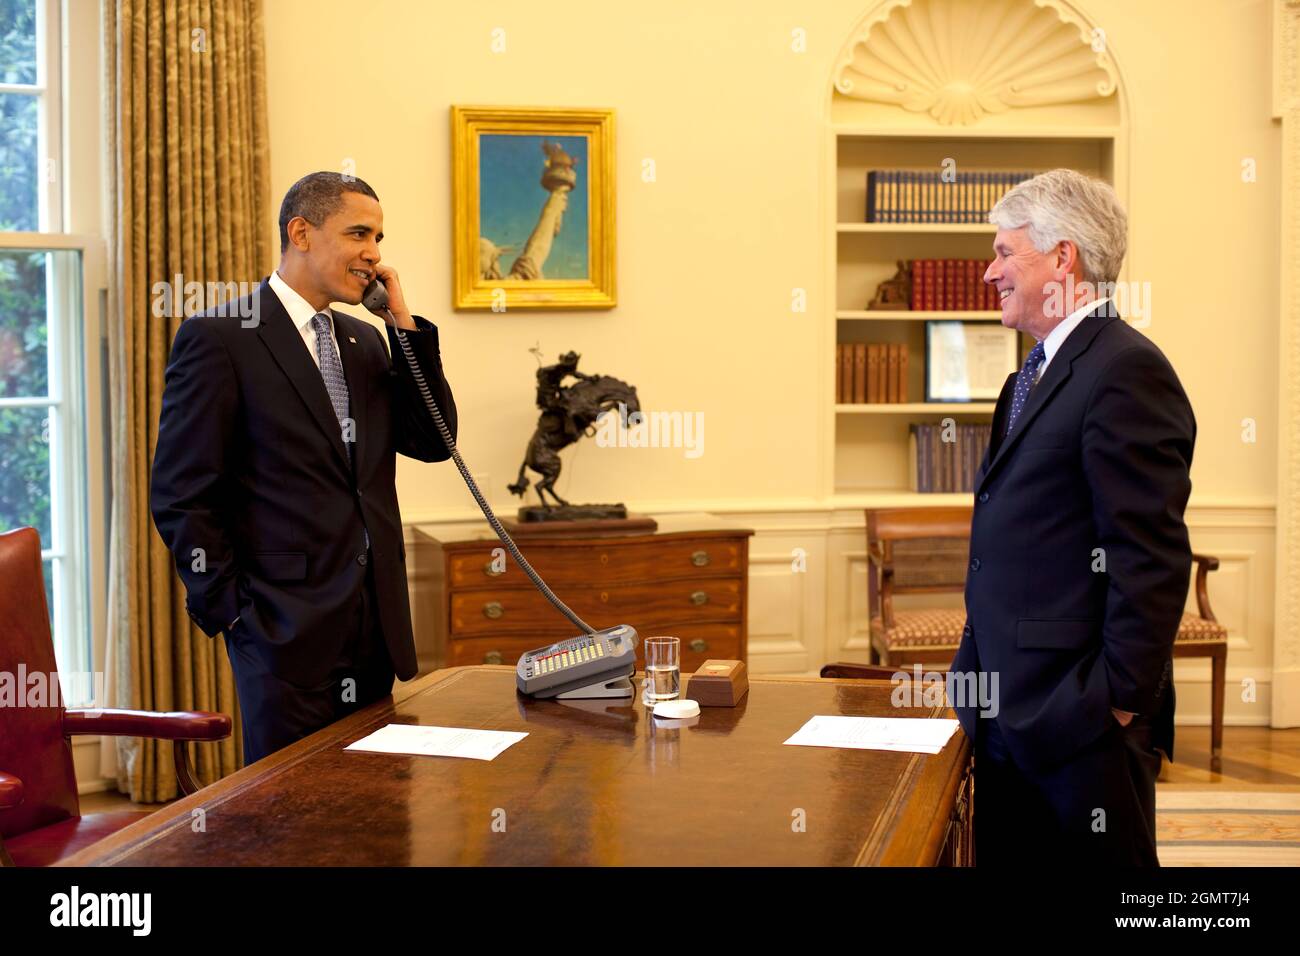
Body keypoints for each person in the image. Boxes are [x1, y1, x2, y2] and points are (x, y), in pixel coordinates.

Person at [150, 172, 457, 763]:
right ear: (302, 233)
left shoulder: (366, 342)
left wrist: (404, 329)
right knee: (289, 825)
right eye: (359, 233)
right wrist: (234, 612)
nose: (374, 252)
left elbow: (434, 441)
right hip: (281, 634)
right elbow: (182, 493)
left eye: (379, 237)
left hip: (376, 630)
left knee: (379, 820)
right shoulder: (220, 338)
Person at [950, 168, 1195, 866]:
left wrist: (1113, 705)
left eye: (1005, 252)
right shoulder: (1027, 376)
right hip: (1007, 709)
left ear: (1064, 258)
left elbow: (1148, 560)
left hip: (1076, 726)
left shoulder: (1125, 371)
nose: (990, 271)